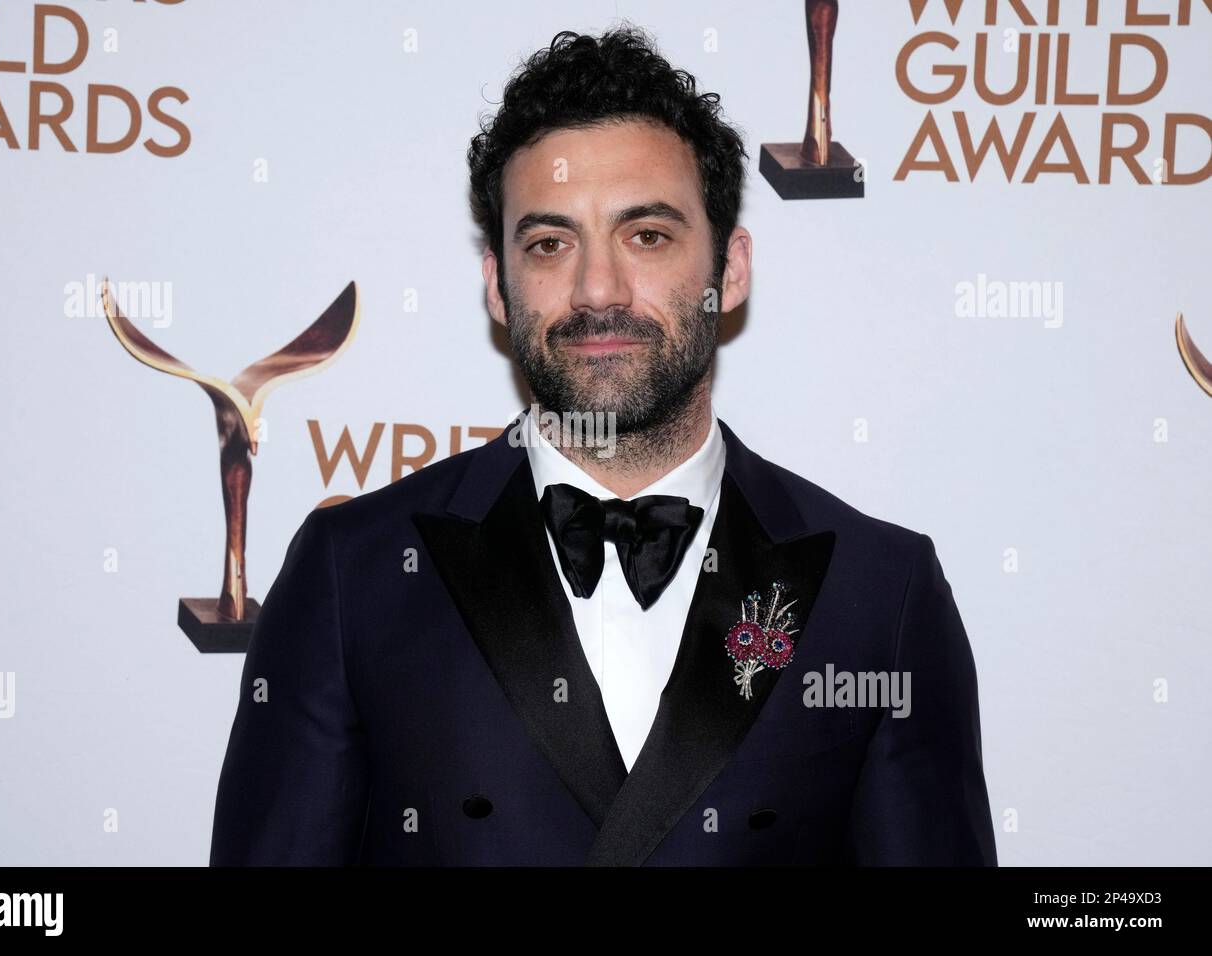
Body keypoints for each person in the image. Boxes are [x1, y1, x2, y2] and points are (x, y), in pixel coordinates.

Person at [209, 24, 997, 866]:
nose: (596, 290)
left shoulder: (878, 592)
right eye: (550, 244)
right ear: (499, 289)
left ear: (728, 273)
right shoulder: (355, 573)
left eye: (647, 235)